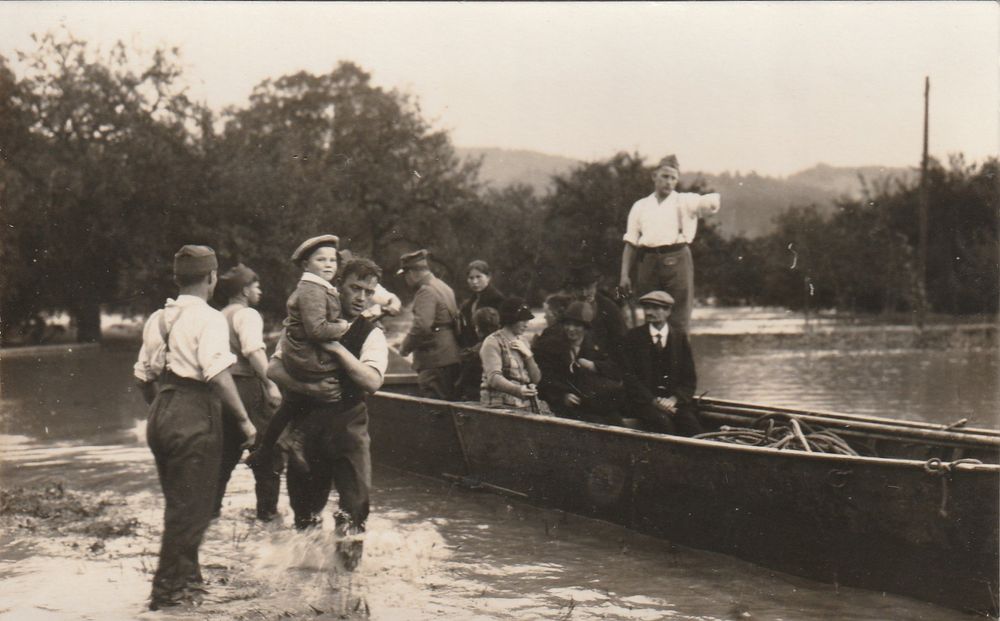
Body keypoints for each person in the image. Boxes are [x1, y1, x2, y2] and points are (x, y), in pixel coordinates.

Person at [133, 245, 257, 610]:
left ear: (177, 278)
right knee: (194, 510)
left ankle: (188, 584)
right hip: (195, 411)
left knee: (180, 504)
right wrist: (246, 421)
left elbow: (143, 377)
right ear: (211, 278)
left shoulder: (157, 318)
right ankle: (168, 595)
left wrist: (163, 409)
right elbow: (218, 375)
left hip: (161, 411)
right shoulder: (210, 318)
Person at [260, 258, 388, 569]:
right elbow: (272, 367)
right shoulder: (306, 318)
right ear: (338, 286)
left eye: (368, 292)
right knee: (305, 512)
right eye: (354, 288)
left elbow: (372, 381)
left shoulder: (371, 334)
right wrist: (310, 389)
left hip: (349, 426)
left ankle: (348, 586)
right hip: (307, 425)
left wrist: (338, 350)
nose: (360, 297)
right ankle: (306, 587)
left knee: (356, 507)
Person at [213, 264, 284, 522]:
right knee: (269, 455)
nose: (260, 291)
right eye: (256, 286)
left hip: (221, 390)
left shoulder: (219, 315)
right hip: (247, 388)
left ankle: (210, 516)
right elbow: (253, 350)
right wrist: (271, 384)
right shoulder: (247, 315)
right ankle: (268, 518)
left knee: (224, 456)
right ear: (244, 290)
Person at [619, 154, 722, 332]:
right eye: (665, 176)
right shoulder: (640, 206)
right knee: (650, 315)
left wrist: (710, 203)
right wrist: (624, 275)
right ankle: (652, 358)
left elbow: (708, 203)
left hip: (677, 260)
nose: (669, 182)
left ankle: (679, 358)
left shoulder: (685, 201)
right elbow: (630, 243)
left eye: (673, 178)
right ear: (654, 177)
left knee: (678, 318)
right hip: (648, 262)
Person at [617, 290, 703, 436]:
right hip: (643, 403)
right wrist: (653, 401)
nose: (649, 312)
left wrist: (674, 399)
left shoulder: (679, 338)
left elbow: (689, 380)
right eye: (646, 308)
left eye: (655, 308)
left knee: (691, 425)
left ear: (668, 311)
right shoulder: (633, 338)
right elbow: (629, 378)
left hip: (672, 403)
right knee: (663, 424)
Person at [535, 301, 624, 426]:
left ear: (586, 328)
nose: (571, 329)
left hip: (593, 402)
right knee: (593, 425)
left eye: (577, 325)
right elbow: (545, 378)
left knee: (616, 423)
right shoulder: (552, 346)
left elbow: (615, 369)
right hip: (564, 404)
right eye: (568, 324)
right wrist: (562, 395)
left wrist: (594, 366)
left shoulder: (595, 345)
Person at [277, 234, 349, 383]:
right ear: (305, 265)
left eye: (332, 260)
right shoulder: (312, 290)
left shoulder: (319, 287)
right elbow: (317, 330)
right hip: (309, 360)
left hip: (310, 356)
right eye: (321, 260)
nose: (328, 265)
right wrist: (343, 326)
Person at [397, 249, 461, 400]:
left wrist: (405, 347)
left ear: (412, 273)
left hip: (433, 358)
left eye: (405, 275)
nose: (406, 280)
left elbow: (422, 327)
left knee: (435, 408)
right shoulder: (443, 286)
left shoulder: (425, 291)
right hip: (449, 355)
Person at [479, 297, 544, 412]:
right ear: (511, 319)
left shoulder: (523, 341)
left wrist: (529, 356)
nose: (526, 325)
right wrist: (518, 390)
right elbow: (494, 378)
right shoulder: (492, 342)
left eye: (527, 320)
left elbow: (536, 379)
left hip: (521, 405)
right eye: (522, 320)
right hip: (498, 405)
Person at [561, 264, 626, 356]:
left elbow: (621, 341)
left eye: (588, 288)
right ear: (572, 289)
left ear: (595, 285)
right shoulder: (566, 307)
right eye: (579, 289)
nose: (584, 293)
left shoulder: (609, 308)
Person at [454, 306, 501, 401]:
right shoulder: (504, 343)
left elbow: (464, 380)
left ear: (478, 329)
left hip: (479, 395)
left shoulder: (476, 351)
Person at [457, 259, 505, 347]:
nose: (475, 282)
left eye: (478, 277)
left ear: (488, 277)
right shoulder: (469, 304)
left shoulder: (497, 299)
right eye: (471, 278)